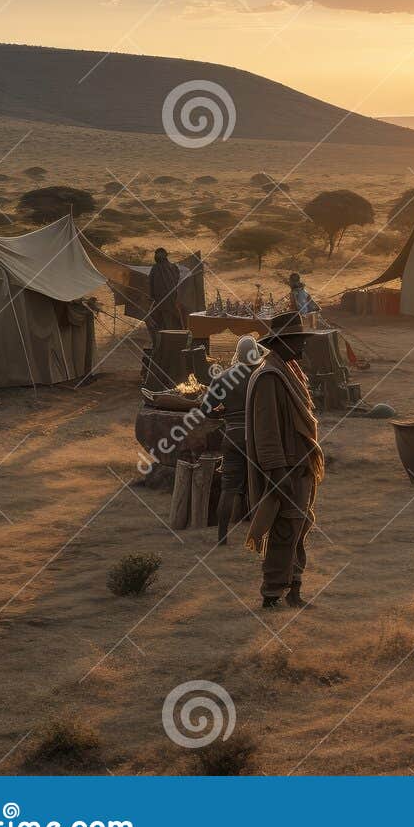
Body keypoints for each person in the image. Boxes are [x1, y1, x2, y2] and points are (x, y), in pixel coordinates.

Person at [244, 313, 324, 610]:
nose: (303, 344)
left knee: (298, 529)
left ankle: (294, 589)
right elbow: (267, 433)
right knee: (284, 531)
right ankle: (271, 593)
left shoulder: (289, 369)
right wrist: (277, 474)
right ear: (283, 342)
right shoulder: (269, 377)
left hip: (300, 466)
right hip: (285, 468)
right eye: (299, 339)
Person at [195, 336, 258, 547]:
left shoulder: (223, 378)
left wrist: (224, 417)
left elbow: (205, 409)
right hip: (259, 437)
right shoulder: (263, 375)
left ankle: (222, 536)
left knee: (229, 488)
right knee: (263, 485)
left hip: (232, 434)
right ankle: (260, 534)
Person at [147, 248, 185, 335]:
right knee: (173, 320)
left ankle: (168, 339)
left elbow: (150, 286)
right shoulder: (174, 267)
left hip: (161, 301)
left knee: (163, 323)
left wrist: (152, 299)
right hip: (172, 300)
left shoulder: (155, 268)